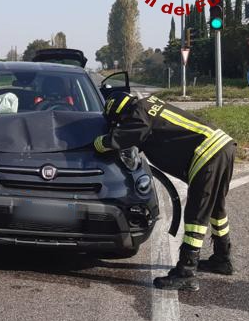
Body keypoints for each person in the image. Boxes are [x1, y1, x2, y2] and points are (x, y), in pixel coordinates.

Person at [93, 92, 236, 291]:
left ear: (120, 113)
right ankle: (222, 259)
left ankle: (186, 271)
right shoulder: (147, 104)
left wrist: (97, 143)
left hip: (208, 154)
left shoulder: (138, 113)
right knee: (216, 209)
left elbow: (121, 138)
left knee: (196, 213)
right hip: (222, 146)